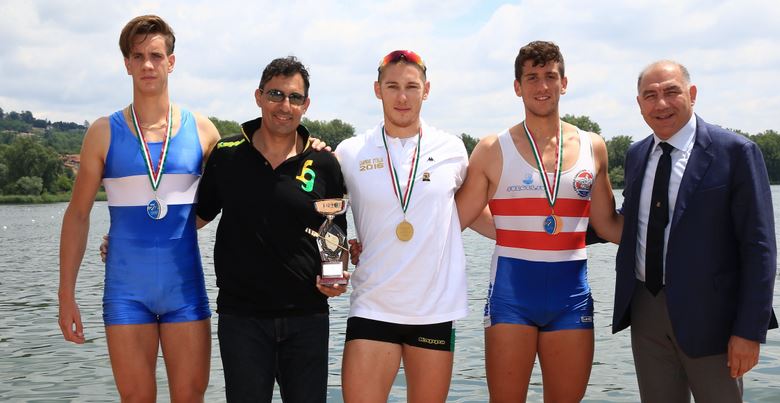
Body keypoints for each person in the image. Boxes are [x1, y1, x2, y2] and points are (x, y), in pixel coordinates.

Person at [58, 15, 220, 402]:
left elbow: (241, 190)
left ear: (171, 61)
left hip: (185, 292)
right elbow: (78, 215)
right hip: (126, 293)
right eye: (138, 56)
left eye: (155, 55)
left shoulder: (202, 130)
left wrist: (306, 145)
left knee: (190, 397)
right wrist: (66, 295)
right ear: (127, 64)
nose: (148, 64)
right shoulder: (102, 132)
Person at [455, 40, 622, 402]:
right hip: (511, 297)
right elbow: (455, 219)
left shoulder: (594, 146)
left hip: (571, 298)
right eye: (532, 77)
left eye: (550, 76)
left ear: (564, 82)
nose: (542, 86)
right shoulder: (491, 148)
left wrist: (673, 232)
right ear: (518, 87)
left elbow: (609, 225)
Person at [612, 60, 778, 402]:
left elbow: (759, 247)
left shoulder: (736, 152)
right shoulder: (636, 155)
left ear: (692, 94)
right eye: (650, 95)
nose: (661, 104)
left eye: (671, 92)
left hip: (713, 318)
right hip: (646, 311)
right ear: (639, 104)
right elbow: (628, 222)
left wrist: (750, 331)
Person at [194, 56, 348, 402]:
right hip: (242, 318)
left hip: (307, 316)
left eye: (295, 97)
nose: (285, 105)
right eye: (276, 94)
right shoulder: (227, 153)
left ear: (306, 104)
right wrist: (131, 236)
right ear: (259, 96)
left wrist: (336, 274)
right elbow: (197, 216)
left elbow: (334, 227)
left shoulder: (324, 161)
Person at [335, 50, 474, 402]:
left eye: (411, 87)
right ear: (377, 89)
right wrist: (343, 247)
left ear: (426, 90)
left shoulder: (453, 149)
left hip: (433, 309)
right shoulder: (349, 152)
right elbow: (325, 214)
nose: (402, 96)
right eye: (392, 86)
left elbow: (471, 210)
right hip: (373, 304)